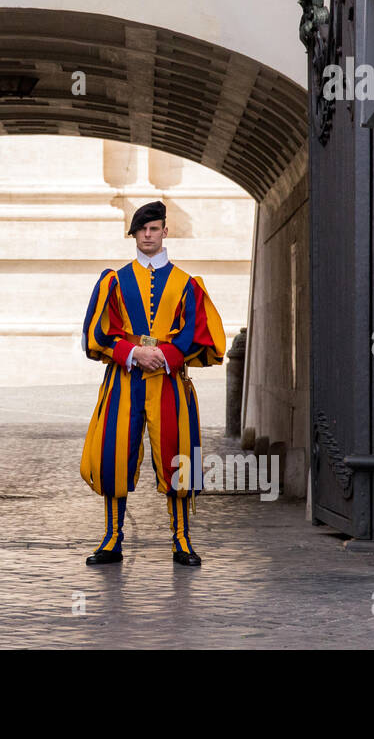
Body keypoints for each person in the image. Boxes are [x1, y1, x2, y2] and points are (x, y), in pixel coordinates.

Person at [79, 200, 225, 567]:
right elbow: (97, 332)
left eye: (154, 228)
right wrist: (133, 354)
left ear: (164, 231)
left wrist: (166, 356)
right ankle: (112, 538)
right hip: (123, 381)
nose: (148, 234)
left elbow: (198, 332)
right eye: (142, 229)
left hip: (170, 384)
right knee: (114, 456)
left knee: (179, 458)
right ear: (134, 234)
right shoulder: (114, 281)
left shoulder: (187, 284)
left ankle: (182, 539)